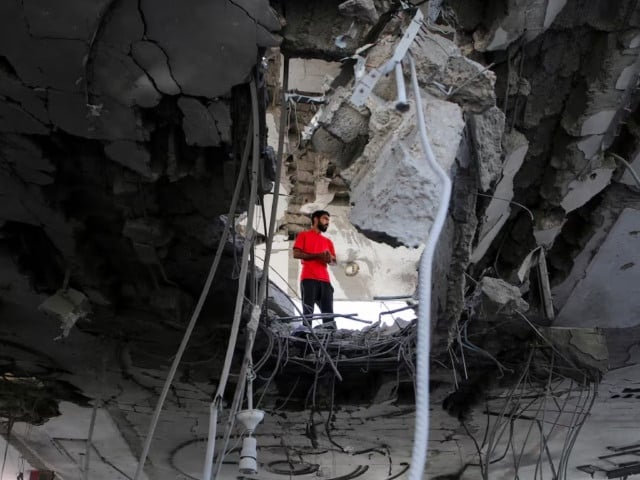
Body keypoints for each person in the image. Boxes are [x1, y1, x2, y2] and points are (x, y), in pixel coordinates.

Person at [292, 210, 336, 324]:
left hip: (325, 281)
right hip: (308, 279)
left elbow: (334, 262)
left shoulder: (328, 241)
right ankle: (305, 338)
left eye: (328, 220)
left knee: (329, 315)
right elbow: (296, 254)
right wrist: (317, 255)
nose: (327, 222)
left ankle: (330, 338)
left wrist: (328, 258)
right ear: (316, 219)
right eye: (325, 219)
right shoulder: (303, 235)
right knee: (308, 314)